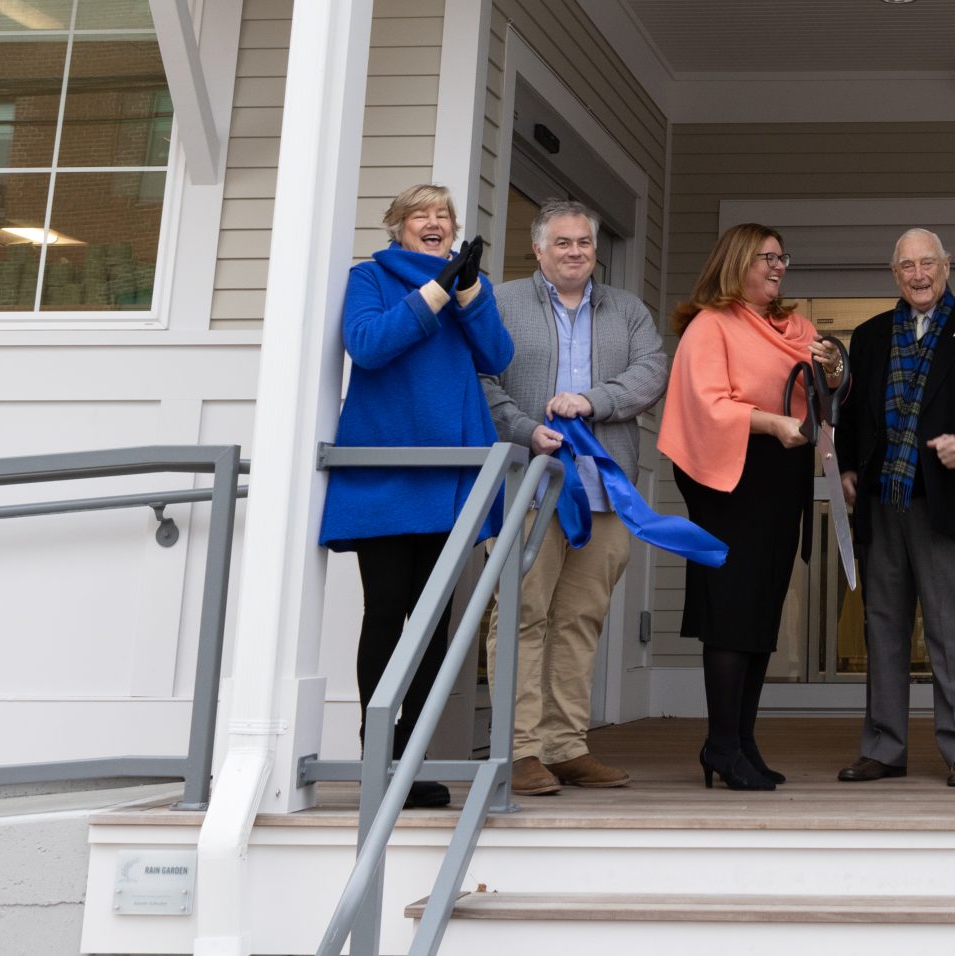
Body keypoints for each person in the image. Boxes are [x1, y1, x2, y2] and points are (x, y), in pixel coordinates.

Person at [319, 183, 513, 809]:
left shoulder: (467, 285)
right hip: (386, 469)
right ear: (397, 227)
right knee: (385, 612)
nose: (435, 222)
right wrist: (435, 291)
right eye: (421, 214)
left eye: (444, 215)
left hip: (450, 472)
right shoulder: (370, 277)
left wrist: (469, 292)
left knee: (434, 623)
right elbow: (368, 346)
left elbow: (498, 356)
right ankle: (374, 753)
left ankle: (408, 756)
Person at [478, 199, 668, 796]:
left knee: (581, 617)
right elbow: (479, 380)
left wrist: (593, 400)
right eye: (562, 242)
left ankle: (565, 747)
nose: (576, 252)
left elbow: (651, 372)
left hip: (603, 489)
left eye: (584, 242)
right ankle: (517, 750)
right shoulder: (501, 304)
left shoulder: (627, 310)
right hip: (529, 486)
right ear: (538, 249)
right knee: (522, 613)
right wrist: (523, 429)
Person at [657, 223, 846, 792]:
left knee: (762, 610)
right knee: (732, 610)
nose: (778, 266)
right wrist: (771, 423)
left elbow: (825, 397)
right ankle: (720, 742)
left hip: (781, 475)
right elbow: (707, 405)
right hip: (729, 476)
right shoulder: (710, 326)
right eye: (766, 257)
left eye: (782, 257)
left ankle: (741, 740)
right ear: (736, 262)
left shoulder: (798, 328)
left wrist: (834, 372)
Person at [832, 229, 955, 787]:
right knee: (883, 626)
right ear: (894, 273)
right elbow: (853, 411)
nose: (919, 275)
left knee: (954, 630)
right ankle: (883, 748)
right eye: (907, 266)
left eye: (928, 263)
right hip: (882, 499)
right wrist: (847, 466)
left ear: (947, 265)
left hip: (947, 498)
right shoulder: (870, 334)